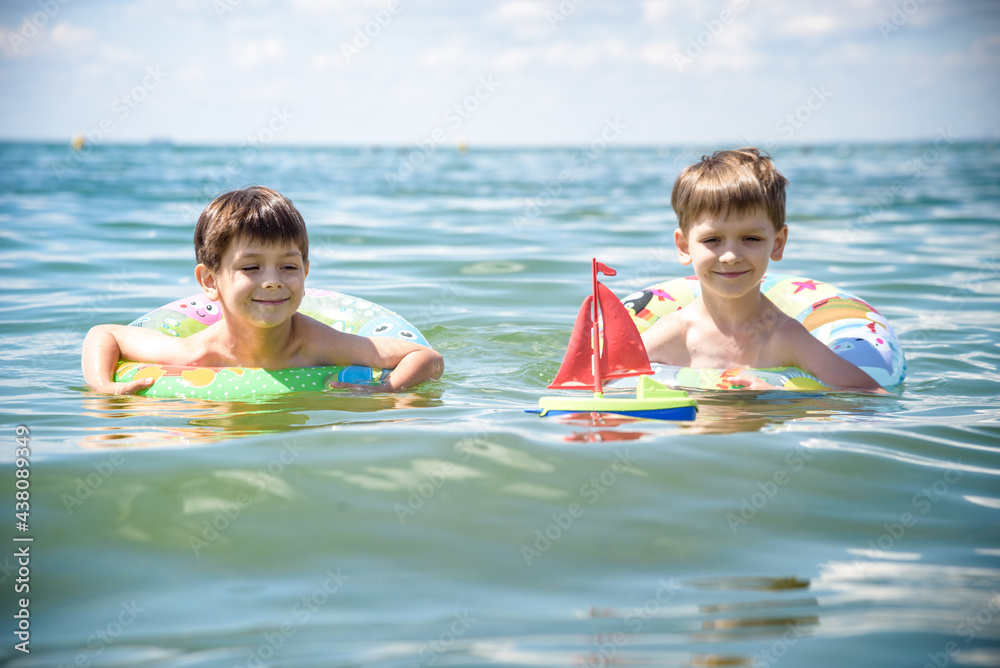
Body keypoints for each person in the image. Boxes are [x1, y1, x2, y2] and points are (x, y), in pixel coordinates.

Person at [82, 186, 443, 395]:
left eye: (288, 267)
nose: (272, 280)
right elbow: (103, 334)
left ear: (305, 272)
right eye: (251, 267)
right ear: (210, 281)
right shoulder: (193, 354)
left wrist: (390, 389)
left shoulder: (319, 344)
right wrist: (103, 390)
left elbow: (427, 358)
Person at [640, 148, 885, 392]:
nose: (731, 256)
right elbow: (606, 381)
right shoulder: (673, 334)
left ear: (777, 243)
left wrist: (780, 398)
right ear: (684, 246)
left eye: (751, 238)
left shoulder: (786, 338)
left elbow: (871, 394)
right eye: (712, 240)